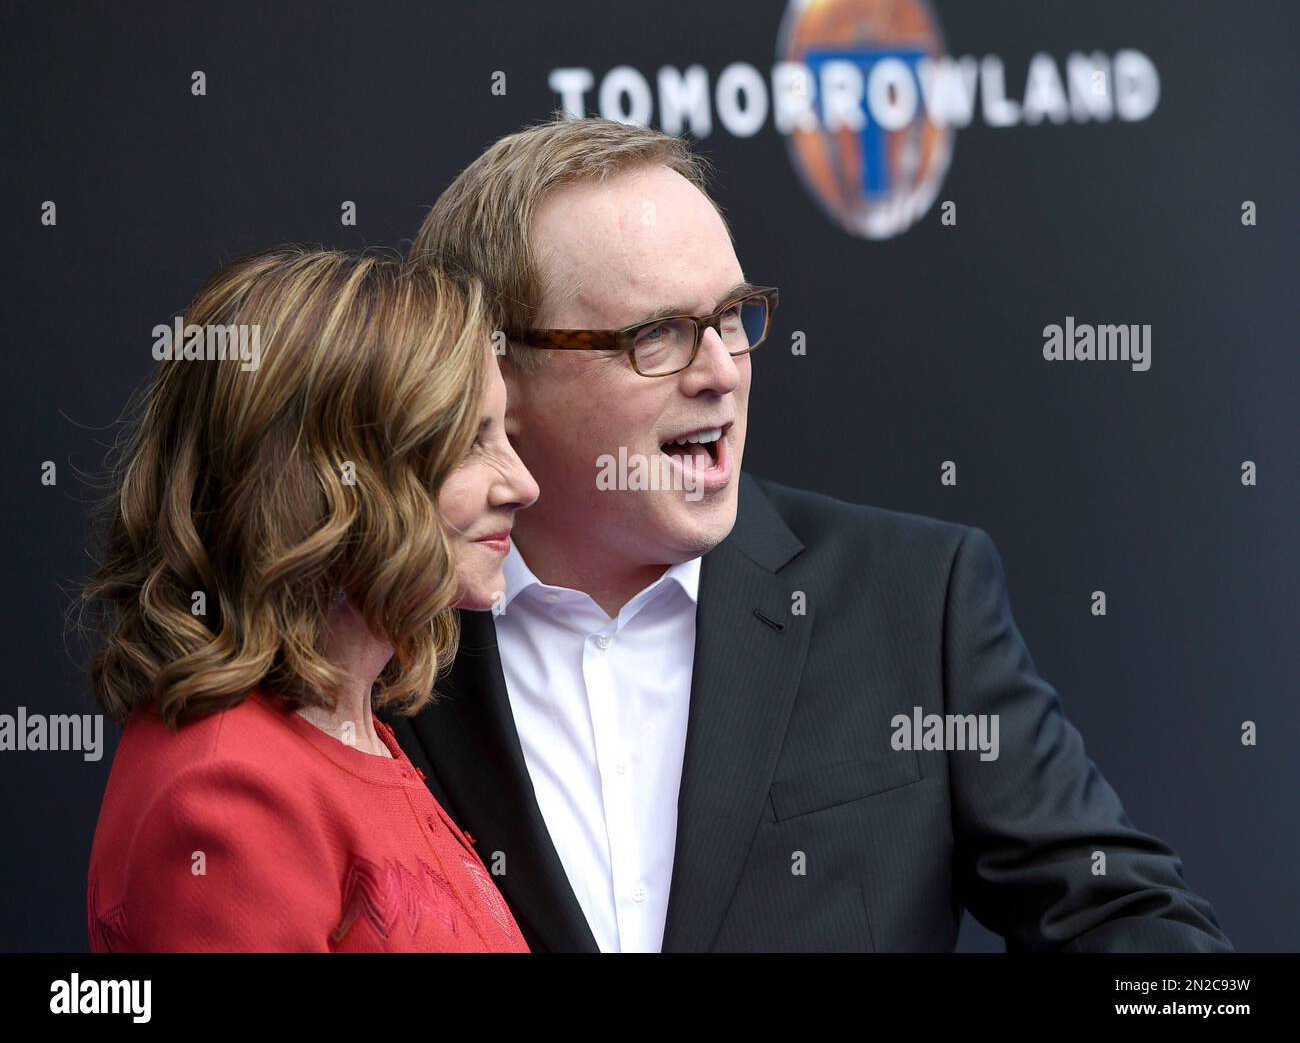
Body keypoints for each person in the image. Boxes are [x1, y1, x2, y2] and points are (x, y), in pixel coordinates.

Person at [387, 115, 1234, 953]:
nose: (721, 371)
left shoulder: (913, 600)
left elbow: (1135, 926)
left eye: (733, 316)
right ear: (495, 373)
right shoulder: (383, 632)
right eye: (657, 336)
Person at [83, 247, 539, 952]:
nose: (521, 485)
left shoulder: (351, 730)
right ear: (325, 478)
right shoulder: (229, 792)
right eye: (470, 444)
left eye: (503, 436)